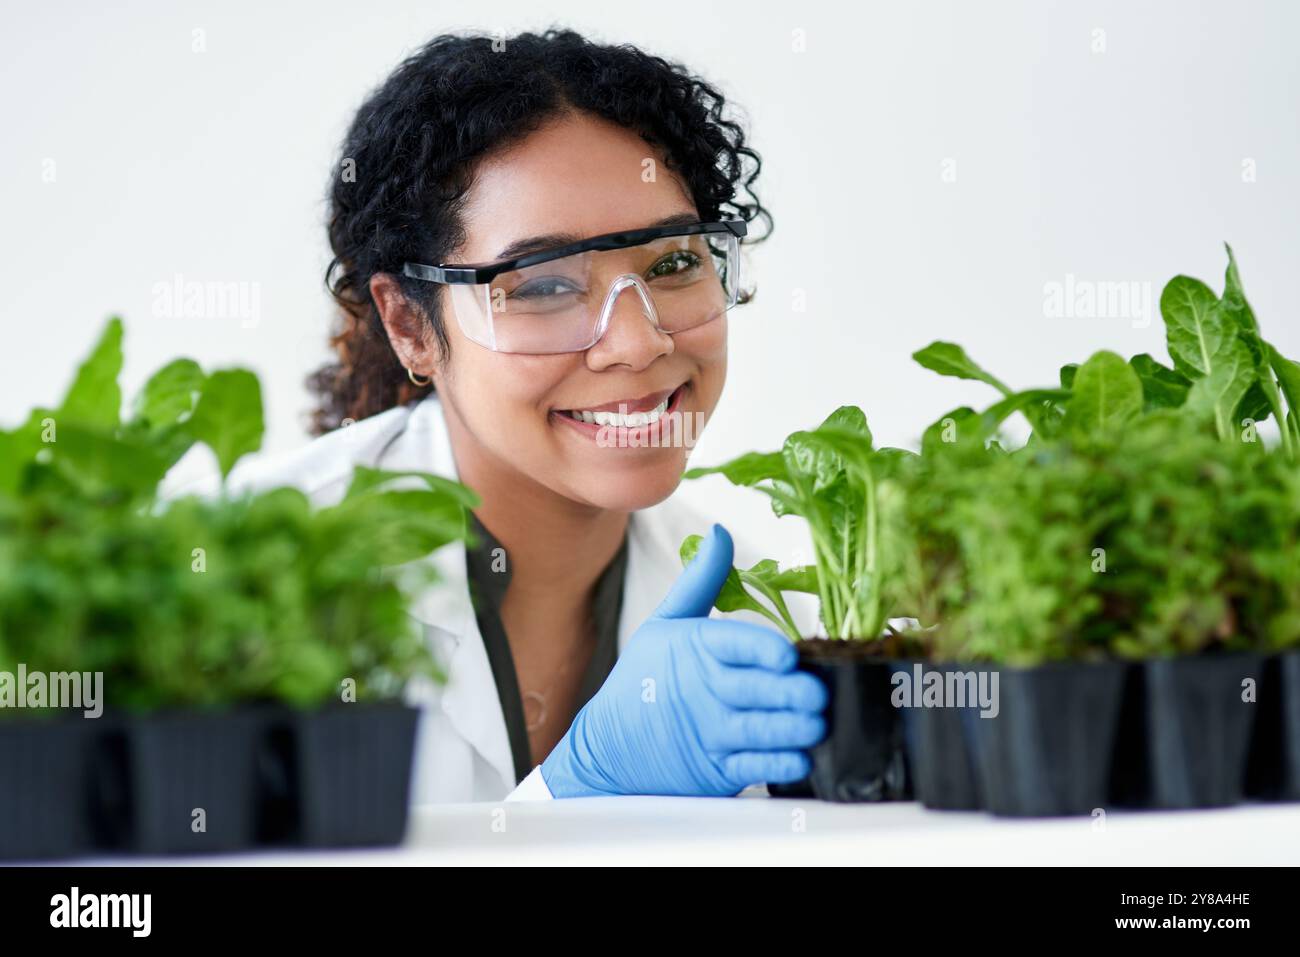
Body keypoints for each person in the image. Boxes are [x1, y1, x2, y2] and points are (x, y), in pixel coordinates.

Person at [226, 28, 826, 803]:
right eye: (542, 285)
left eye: (674, 263)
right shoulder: (245, 583)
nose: (639, 343)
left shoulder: (774, 619)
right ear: (410, 325)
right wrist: (578, 791)